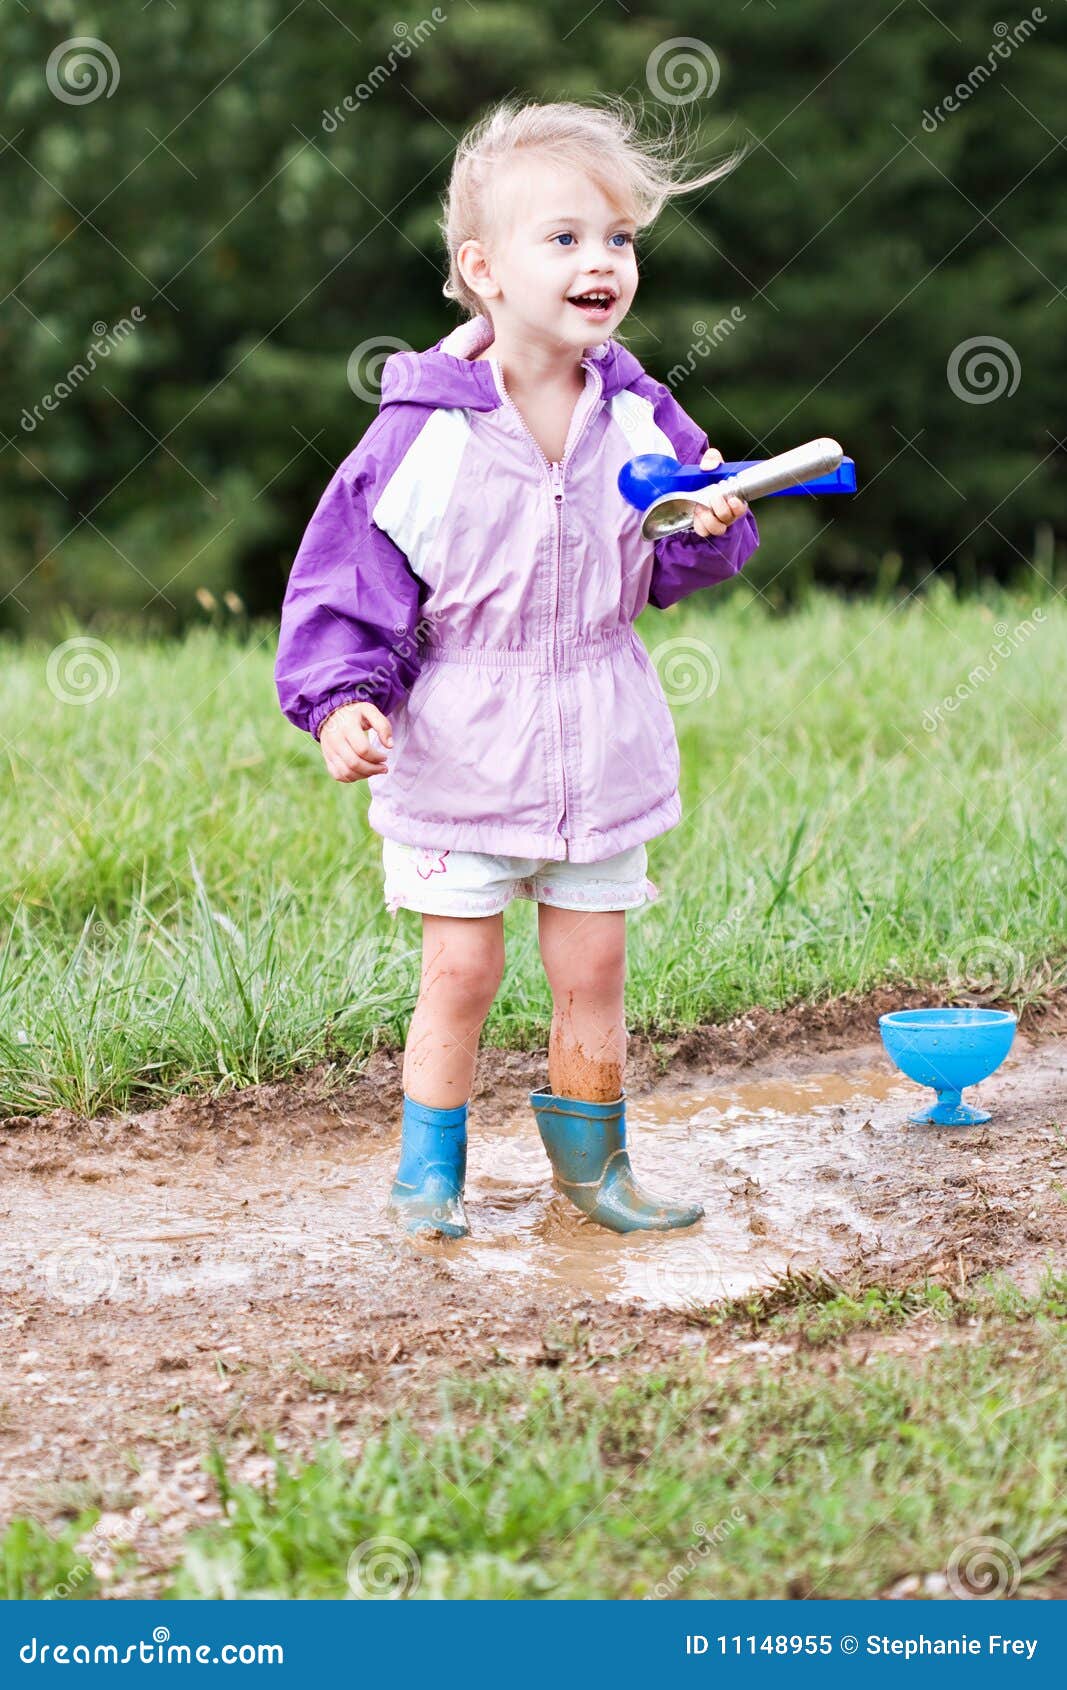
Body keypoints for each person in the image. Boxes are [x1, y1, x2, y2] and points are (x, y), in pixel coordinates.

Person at [274, 97, 759, 1240]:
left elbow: (685, 541)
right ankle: (426, 1176)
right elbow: (352, 582)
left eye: (619, 239)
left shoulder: (636, 413)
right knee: (462, 971)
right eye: (565, 239)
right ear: (482, 270)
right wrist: (342, 701)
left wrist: (706, 524)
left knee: (593, 969)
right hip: (460, 746)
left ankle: (596, 1172)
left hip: (599, 737)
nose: (601, 262)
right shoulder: (426, 429)